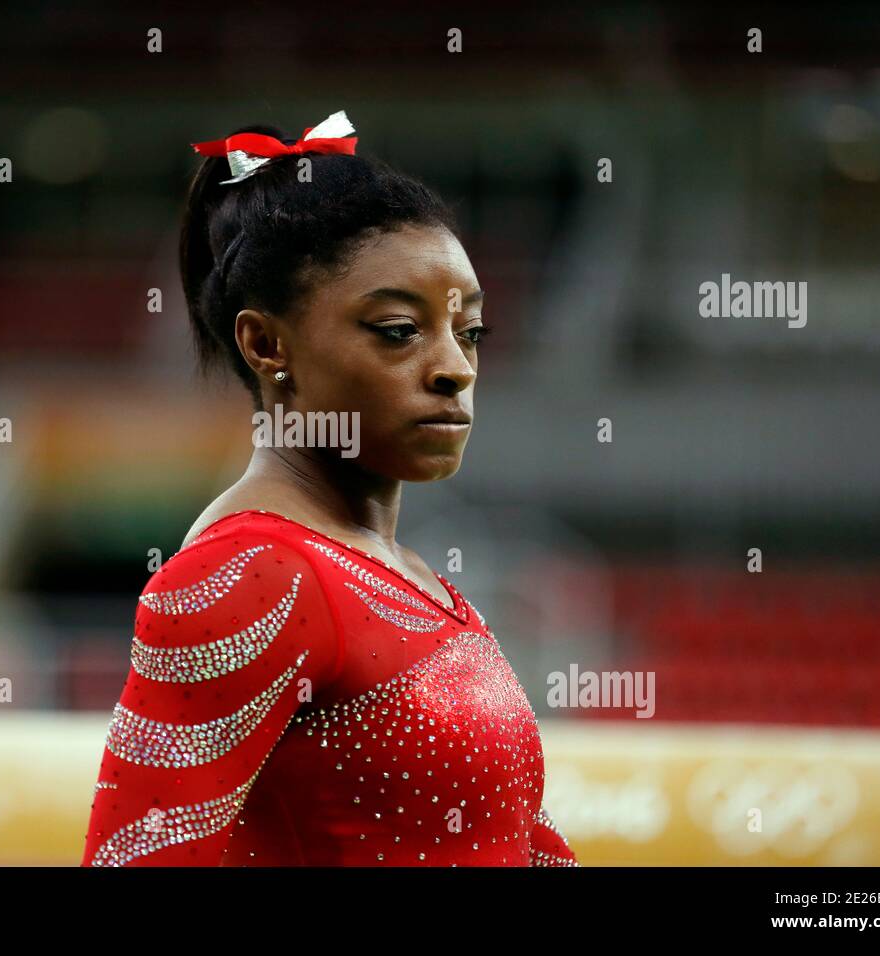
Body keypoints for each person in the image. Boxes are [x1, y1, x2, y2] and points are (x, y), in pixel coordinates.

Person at [81, 111, 578, 866]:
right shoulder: (249, 574)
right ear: (267, 344)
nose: (457, 368)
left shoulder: (415, 581)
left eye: (469, 331)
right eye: (398, 330)